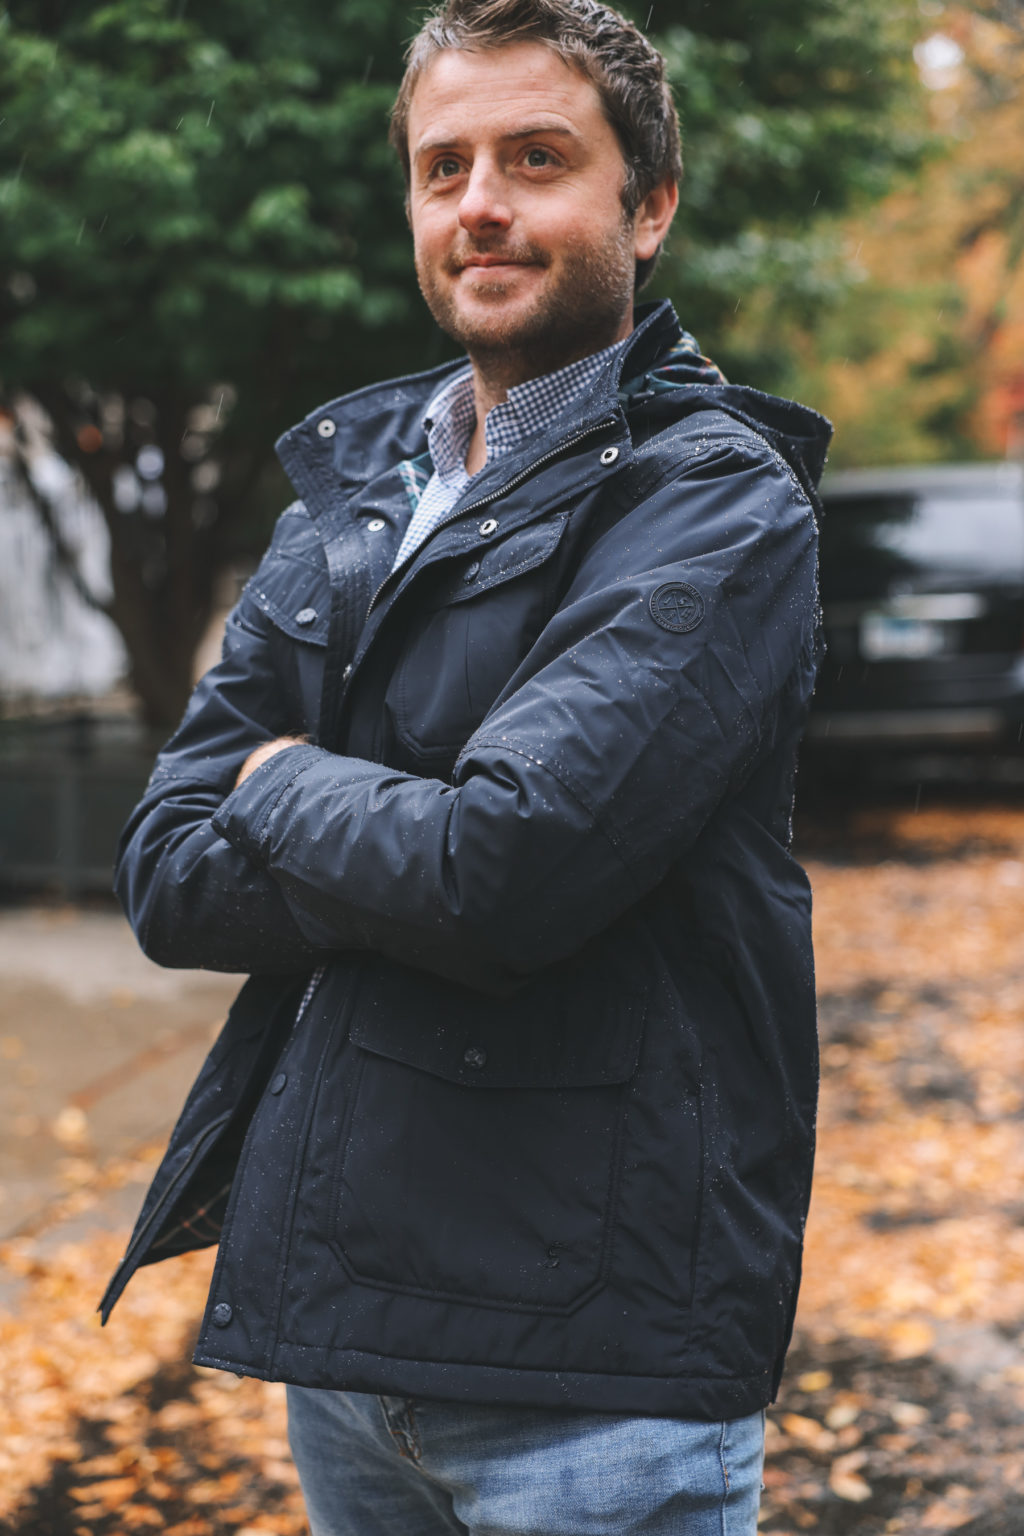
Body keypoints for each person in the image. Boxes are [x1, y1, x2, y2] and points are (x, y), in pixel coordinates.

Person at [102, 1, 832, 1530]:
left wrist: (284, 780)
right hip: (349, 1348)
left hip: (594, 1374)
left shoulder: (712, 506)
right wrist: (380, 831)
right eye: (443, 168)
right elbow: (167, 871)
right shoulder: (350, 499)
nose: (480, 203)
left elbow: (498, 871)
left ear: (649, 203)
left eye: (535, 156)